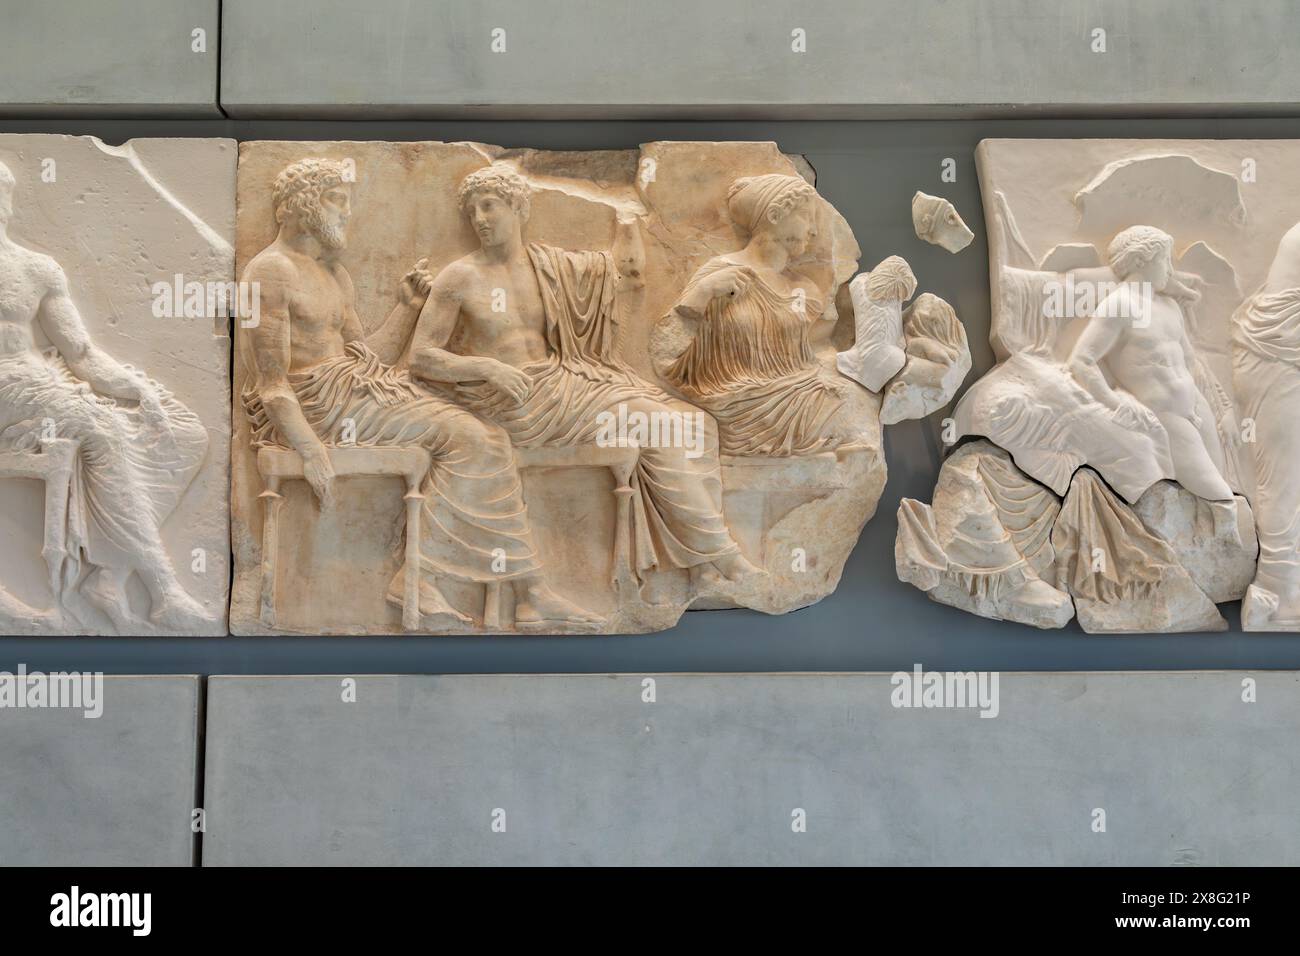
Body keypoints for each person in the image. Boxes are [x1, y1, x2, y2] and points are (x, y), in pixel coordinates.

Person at [241, 158, 601, 630]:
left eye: (348, 201)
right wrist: (309, 448)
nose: (347, 213)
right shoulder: (269, 272)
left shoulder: (334, 274)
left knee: (488, 436)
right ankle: (460, 584)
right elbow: (271, 383)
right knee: (474, 439)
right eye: (337, 200)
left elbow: (369, 358)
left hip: (355, 391)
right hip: (317, 407)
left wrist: (408, 308)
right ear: (302, 204)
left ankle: (493, 586)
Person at [405, 163, 759, 588]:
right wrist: (485, 366)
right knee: (653, 422)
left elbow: (626, 274)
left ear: (519, 208)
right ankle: (723, 556)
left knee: (695, 424)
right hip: (509, 405)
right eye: (472, 212)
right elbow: (421, 357)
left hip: (559, 387)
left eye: (489, 207)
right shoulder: (458, 277)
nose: (480, 219)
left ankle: (695, 563)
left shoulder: (551, 267)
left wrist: (629, 219)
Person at [0, 159, 210, 631]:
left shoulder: (36, 269)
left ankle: (111, 575)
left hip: (44, 384)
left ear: (8, 202)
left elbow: (81, 352)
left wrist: (135, 389)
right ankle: (164, 590)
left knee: (181, 431)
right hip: (11, 394)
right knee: (98, 427)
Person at [664, 173, 845, 457]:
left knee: (840, 403)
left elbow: (809, 358)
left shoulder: (804, 290)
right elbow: (664, 351)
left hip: (797, 401)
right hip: (732, 405)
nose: (812, 231)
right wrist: (701, 293)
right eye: (806, 218)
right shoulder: (720, 272)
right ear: (775, 215)